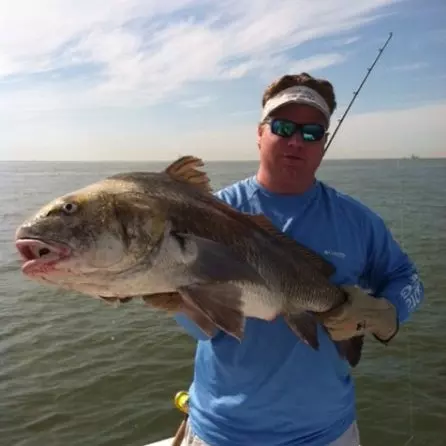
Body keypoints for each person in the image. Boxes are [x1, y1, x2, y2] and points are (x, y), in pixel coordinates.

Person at [170, 73, 425, 446]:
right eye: (283, 126)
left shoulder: (357, 220)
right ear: (259, 133)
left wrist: (387, 312)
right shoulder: (210, 214)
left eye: (311, 133)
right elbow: (197, 328)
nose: (295, 141)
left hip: (327, 434)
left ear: (323, 143)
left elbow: (409, 278)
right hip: (221, 431)